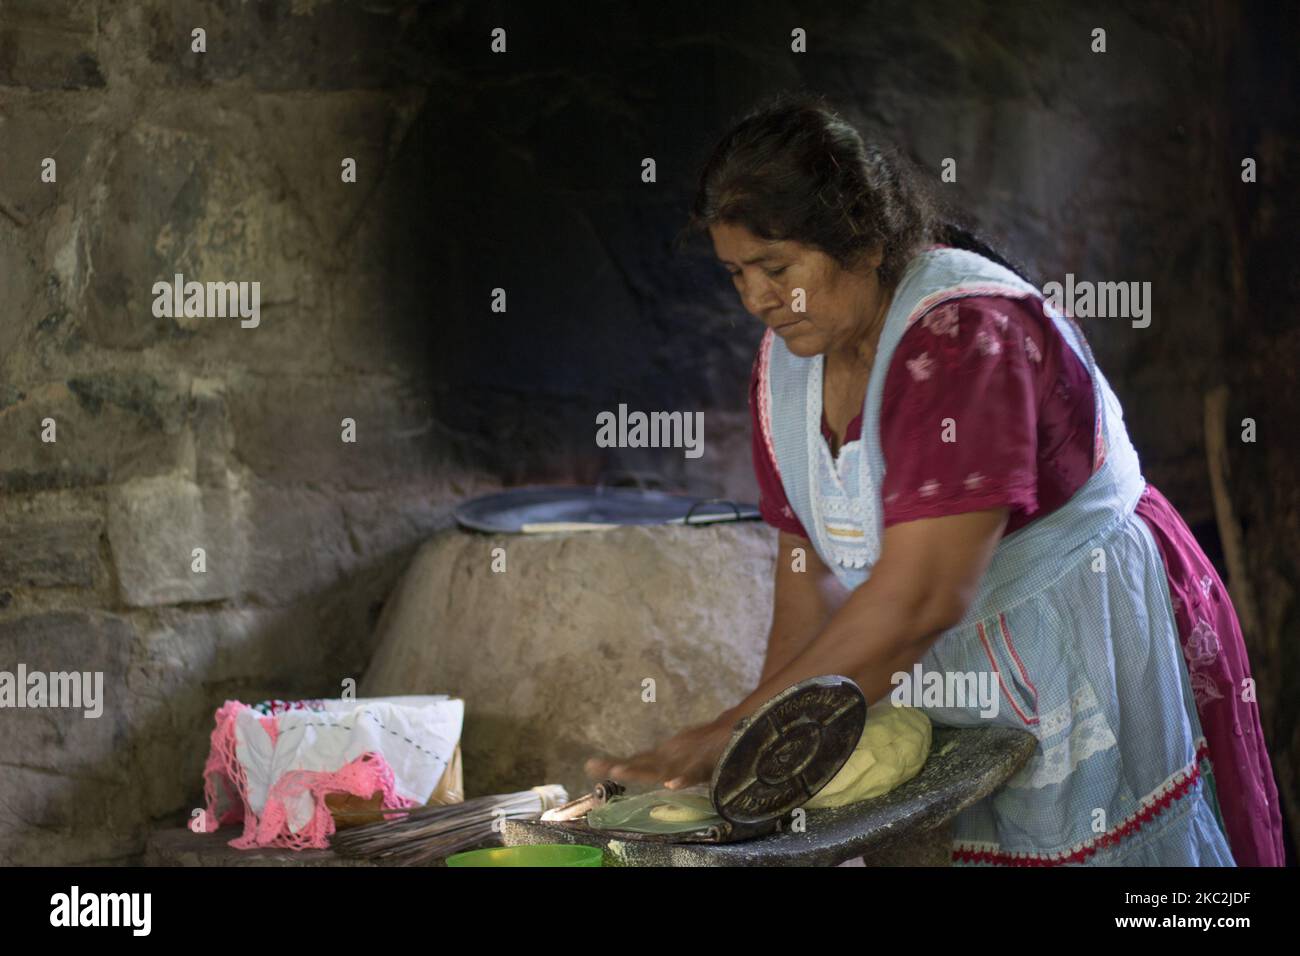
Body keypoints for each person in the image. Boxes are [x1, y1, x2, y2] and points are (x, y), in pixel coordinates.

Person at [586, 92, 1285, 866]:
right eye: (736, 274)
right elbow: (806, 575)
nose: (756, 299)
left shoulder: (965, 336)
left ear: (862, 238)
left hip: (1076, 629)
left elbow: (925, 593)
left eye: (776, 268)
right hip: (935, 660)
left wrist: (733, 733)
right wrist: (762, 748)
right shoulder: (784, 371)